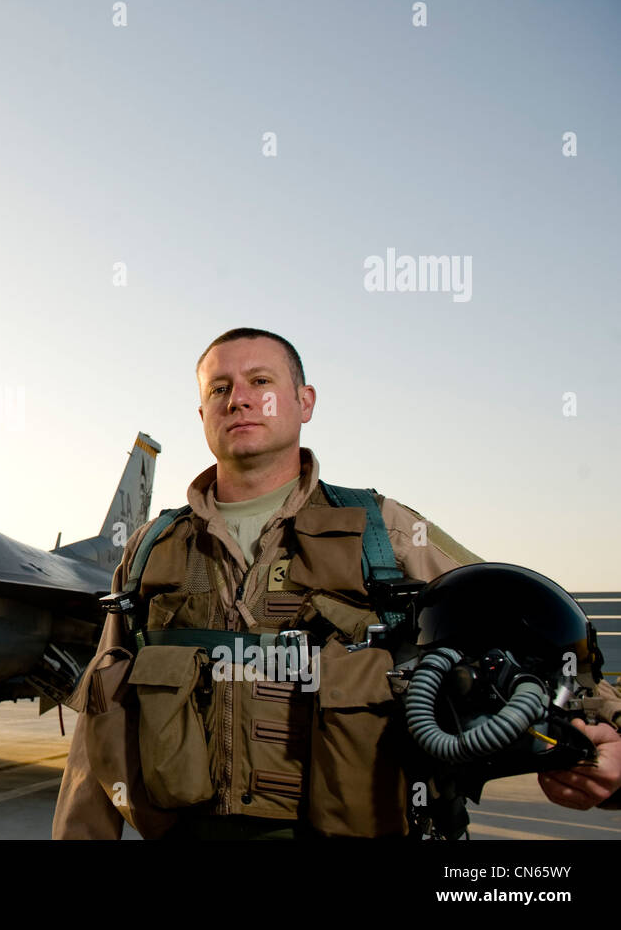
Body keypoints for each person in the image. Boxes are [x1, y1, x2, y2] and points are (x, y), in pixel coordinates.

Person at [52, 327, 621, 839]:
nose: (239, 398)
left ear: (305, 403)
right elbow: (102, 710)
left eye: (260, 380)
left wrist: (601, 732)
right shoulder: (154, 548)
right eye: (218, 388)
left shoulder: (384, 531)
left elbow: (529, 630)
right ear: (201, 412)